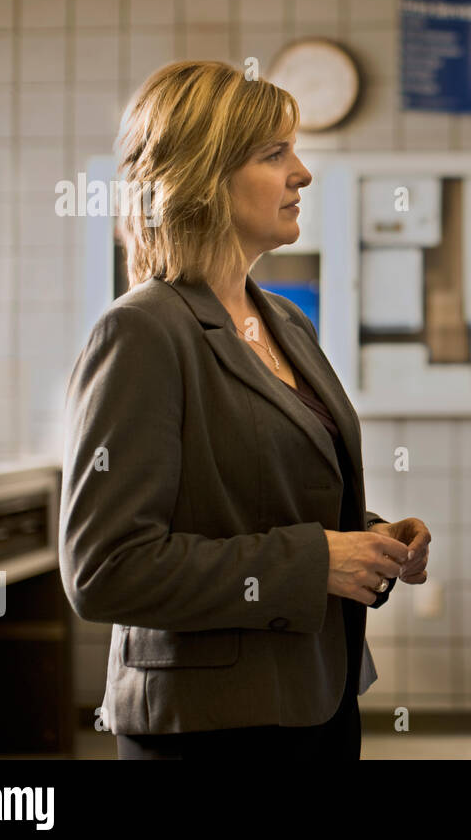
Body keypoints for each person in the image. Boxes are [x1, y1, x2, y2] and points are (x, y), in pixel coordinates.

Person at [59, 60, 430, 760]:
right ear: (202, 180)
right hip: (210, 728)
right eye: (274, 154)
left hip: (318, 698)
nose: (303, 173)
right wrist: (318, 560)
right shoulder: (143, 332)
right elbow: (105, 567)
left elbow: (263, 505)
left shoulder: (284, 321)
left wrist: (368, 543)